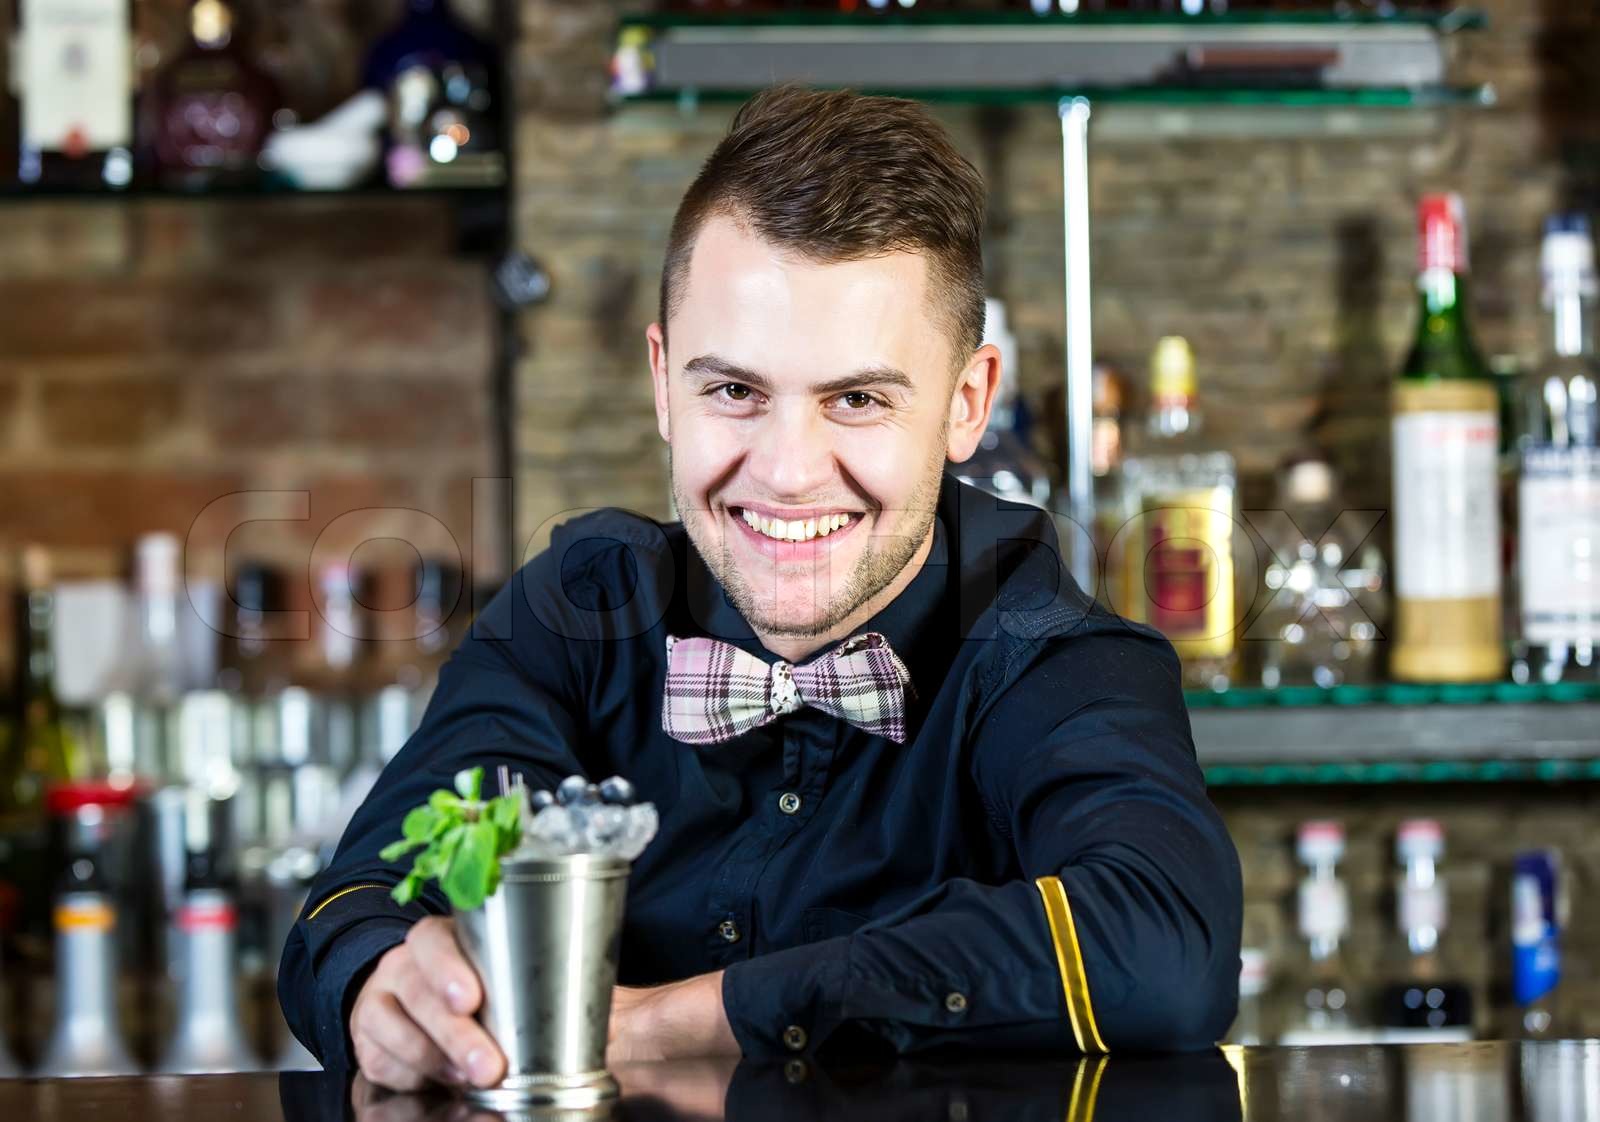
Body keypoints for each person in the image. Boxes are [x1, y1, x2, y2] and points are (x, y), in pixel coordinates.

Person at [278, 84, 1242, 1092]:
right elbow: (353, 902)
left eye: (857, 399)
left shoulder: (1054, 654)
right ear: (662, 384)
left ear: (967, 406)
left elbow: (1165, 953)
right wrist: (381, 988)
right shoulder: (571, 611)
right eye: (733, 391)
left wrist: (671, 1022)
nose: (786, 471)